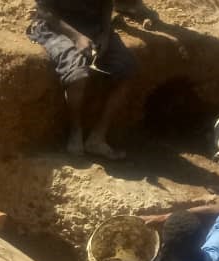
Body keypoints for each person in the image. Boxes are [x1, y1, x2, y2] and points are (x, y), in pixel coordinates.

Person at [27, 0, 138, 159]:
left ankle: (97, 138)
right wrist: (77, 37)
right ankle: (75, 131)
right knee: (78, 74)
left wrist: (105, 34)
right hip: (55, 28)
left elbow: (107, 4)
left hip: (92, 26)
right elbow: (45, 11)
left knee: (128, 68)